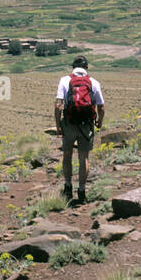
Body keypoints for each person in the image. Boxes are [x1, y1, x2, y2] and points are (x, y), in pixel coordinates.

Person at [55, 56, 104, 204]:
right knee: (84, 158)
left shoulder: (64, 80)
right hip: (86, 125)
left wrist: (58, 125)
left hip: (69, 123)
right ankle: (82, 190)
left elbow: (58, 105)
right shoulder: (94, 82)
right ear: (86, 68)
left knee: (67, 155)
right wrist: (99, 122)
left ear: (73, 67)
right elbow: (101, 106)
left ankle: (68, 187)